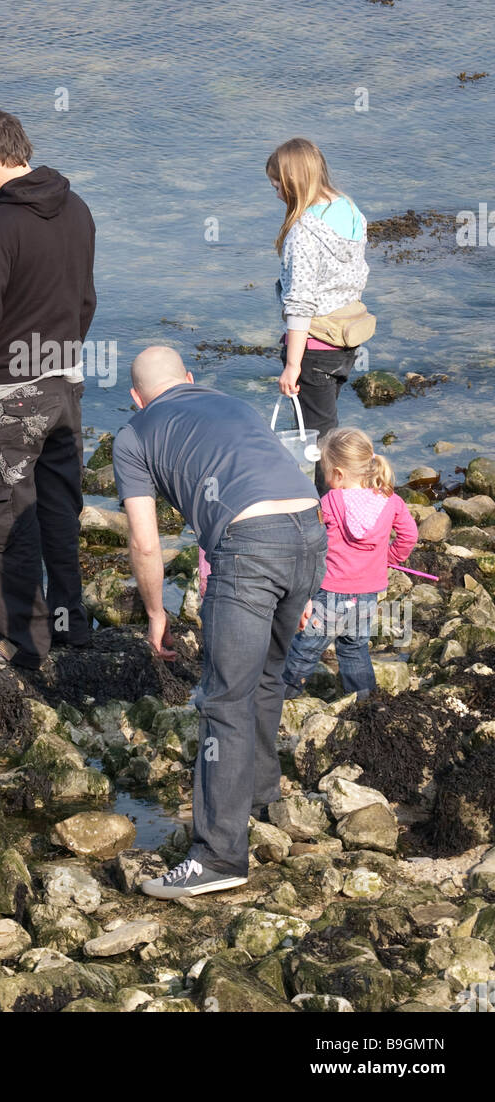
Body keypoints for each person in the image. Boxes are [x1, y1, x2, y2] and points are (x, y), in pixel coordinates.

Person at [111, 347, 327, 898]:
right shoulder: (233, 403)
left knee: (222, 699)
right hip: (307, 527)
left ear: (135, 398)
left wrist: (156, 613)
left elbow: (144, 540)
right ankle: (259, 795)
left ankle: (218, 856)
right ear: (190, 379)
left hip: (249, 545)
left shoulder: (134, 435)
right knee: (267, 676)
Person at [0, 109, 96, 671]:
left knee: (2, 512)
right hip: (64, 381)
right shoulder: (78, 210)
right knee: (59, 505)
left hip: (7, 392)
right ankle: (70, 622)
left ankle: (22, 642)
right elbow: (85, 300)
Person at [268, 137, 374, 493]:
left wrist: (292, 365)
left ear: (294, 181)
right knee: (327, 427)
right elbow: (356, 274)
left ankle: (326, 513)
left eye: (278, 185)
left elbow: (300, 305)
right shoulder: (350, 210)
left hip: (313, 348)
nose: (277, 193)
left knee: (316, 442)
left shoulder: (303, 233)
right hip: (347, 339)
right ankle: (341, 499)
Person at [283, 428, 417, 699]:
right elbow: (409, 535)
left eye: (326, 470)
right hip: (367, 595)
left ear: (340, 474)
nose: (324, 476)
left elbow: (311, 540)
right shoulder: (391, 500)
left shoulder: (332, 500)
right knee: (354, 649)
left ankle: (283, 694)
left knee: (306, 647)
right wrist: (388, 557)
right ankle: (365, 702)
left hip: (330, 593)